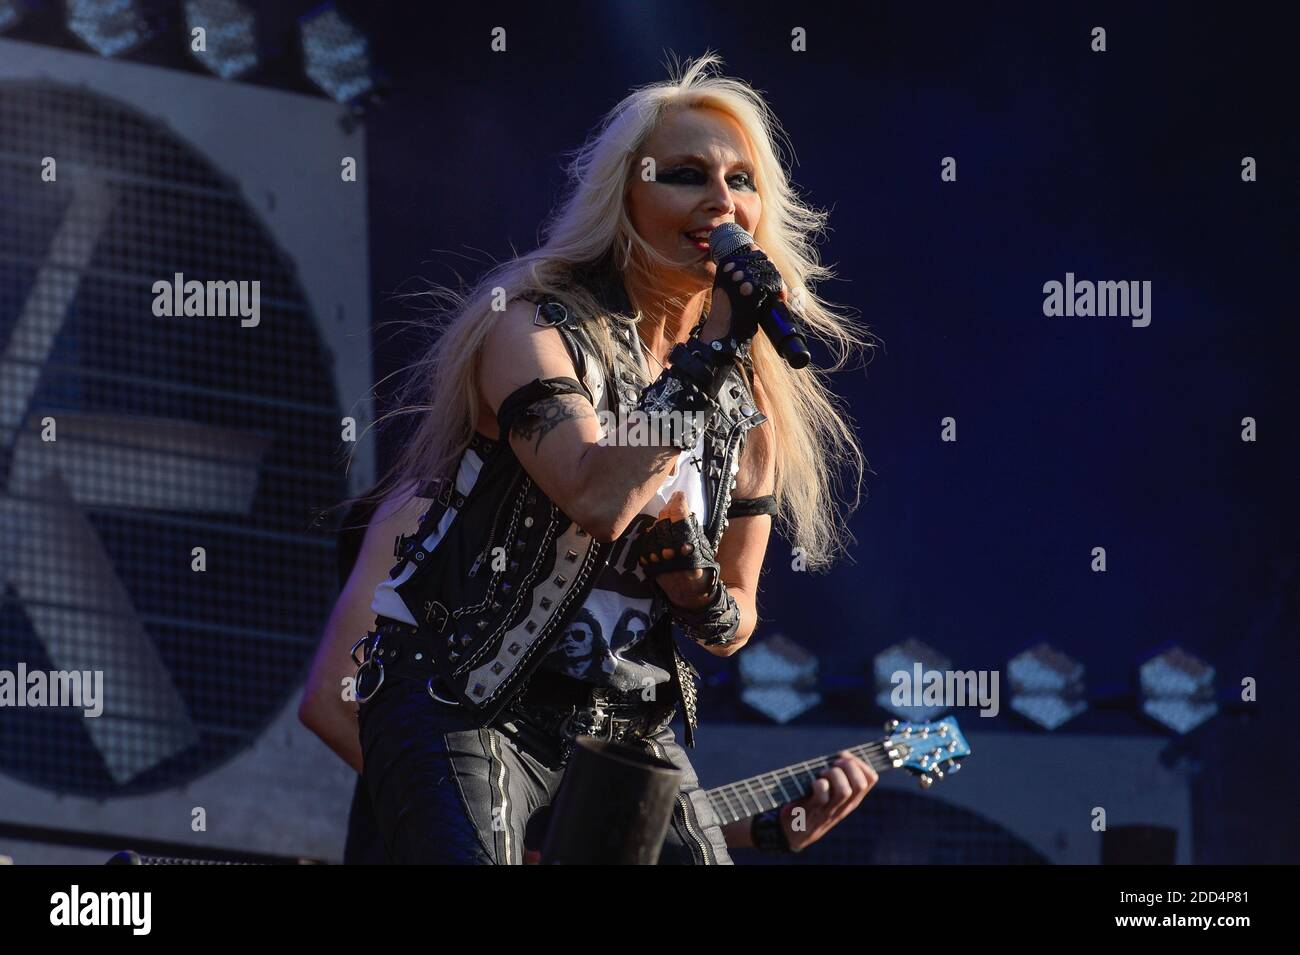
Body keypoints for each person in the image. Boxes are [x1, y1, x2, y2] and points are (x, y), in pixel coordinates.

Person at [299, 51, 874, 864]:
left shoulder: (751, 412)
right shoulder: (533, 327)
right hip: (468, 695)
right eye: (685, 174)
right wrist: (710, 351)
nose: (721, 198)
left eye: (742, 181)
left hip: (622, 727)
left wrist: (697, 588)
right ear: (625, 198)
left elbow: (734, 617)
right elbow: (593, 491)